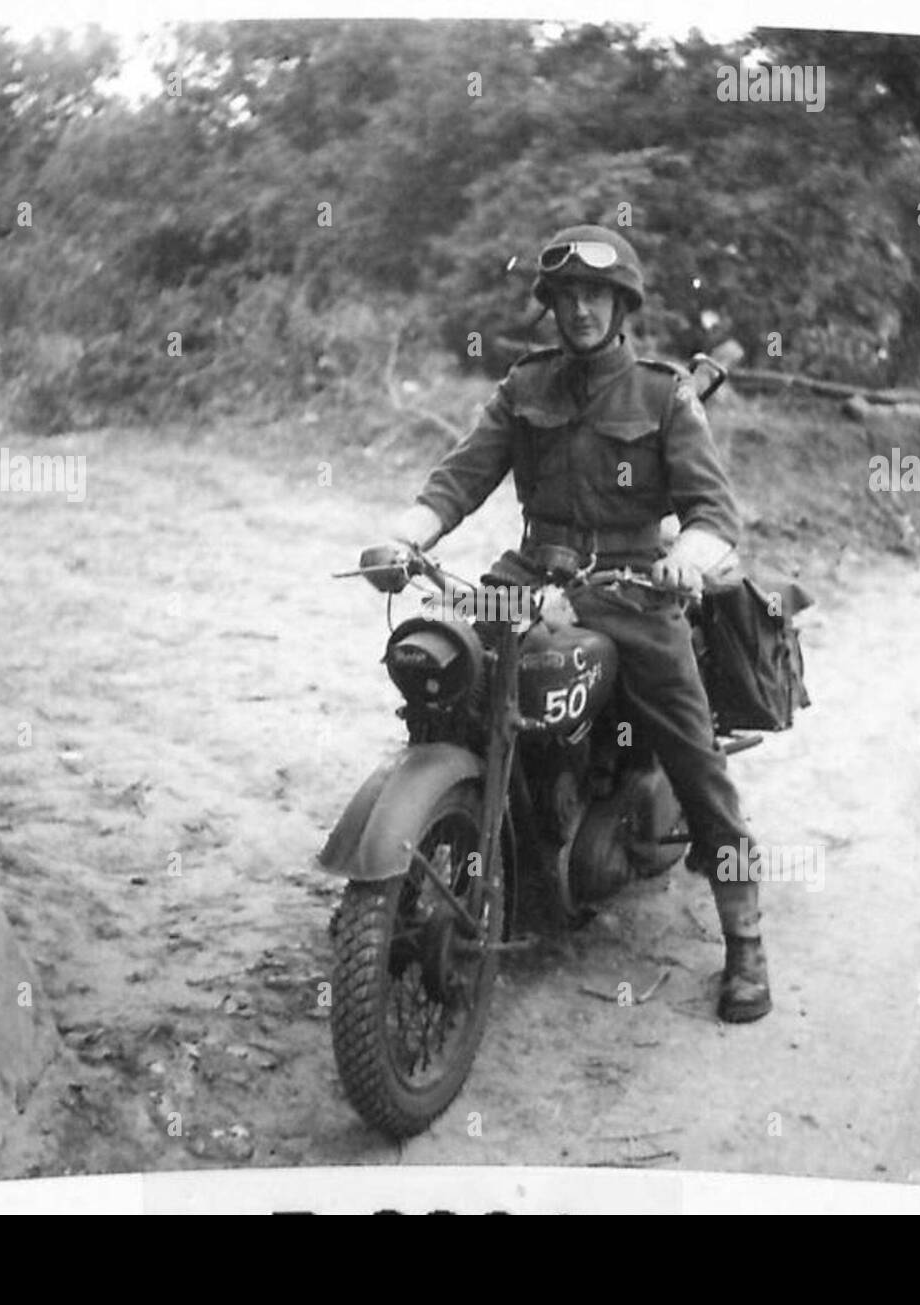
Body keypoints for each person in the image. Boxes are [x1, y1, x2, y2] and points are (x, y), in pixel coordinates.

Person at [360, 223, 771, 1022]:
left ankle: (746, 937)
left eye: (597, 295)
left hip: (633, 590)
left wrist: (687, 555)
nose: (581, 309)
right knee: (444, 676)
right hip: (529, 576)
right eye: (567, 296)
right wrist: (406, 536)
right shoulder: (527, 386)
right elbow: (461, 476)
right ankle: (461, 842)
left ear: (623, 304)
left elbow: (714, 511)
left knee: (694, 752)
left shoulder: (662, 392)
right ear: (551, 305)